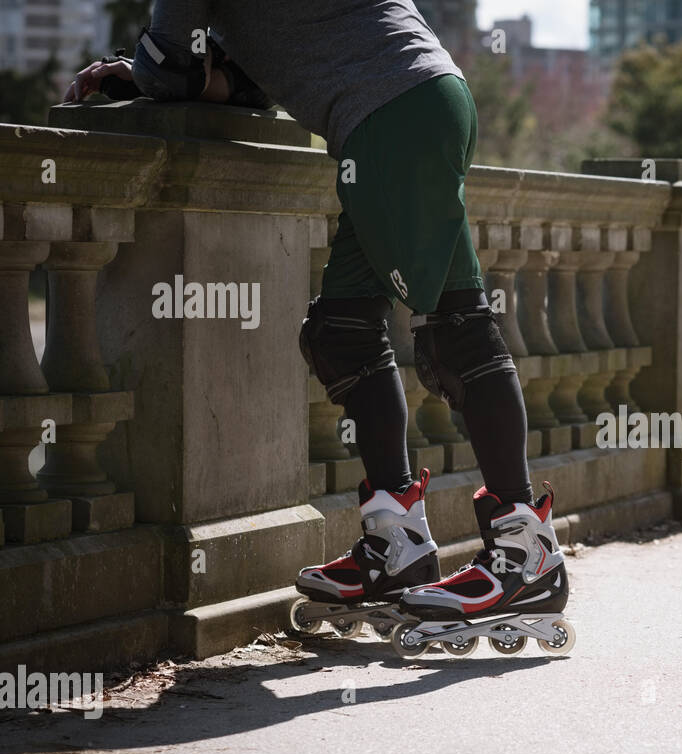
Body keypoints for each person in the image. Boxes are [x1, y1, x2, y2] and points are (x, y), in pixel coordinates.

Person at [64, 1, 568, 636]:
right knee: (342, 333)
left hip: (389, 114)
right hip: (413, 101)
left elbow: (174, 71)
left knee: (455, 332)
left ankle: (526, 554)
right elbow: (254, 76)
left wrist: (141, 71)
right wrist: (170, 68)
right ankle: (399, 545)